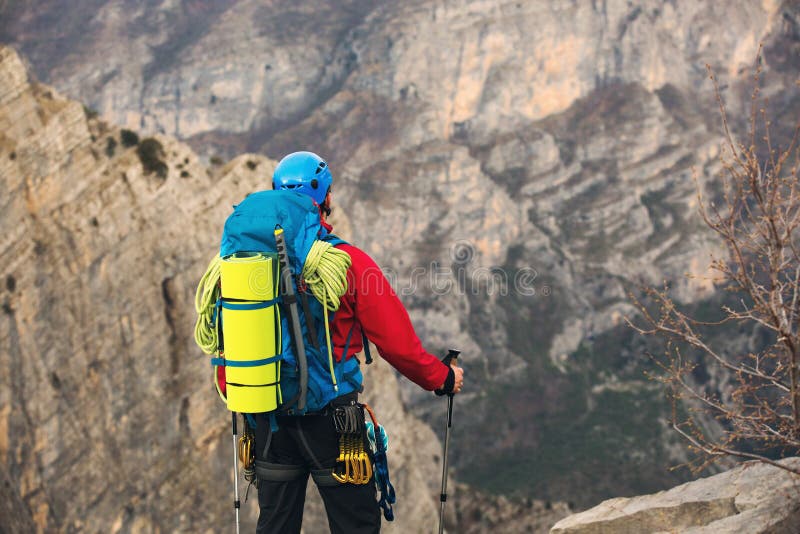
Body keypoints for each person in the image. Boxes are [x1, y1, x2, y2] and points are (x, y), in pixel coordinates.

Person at [252, 151, 464, 533]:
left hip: (268, 418)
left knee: (275, 526)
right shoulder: (350, 263)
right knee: (356, 525)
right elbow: (398, 345)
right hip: (332, 423)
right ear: (325, 197)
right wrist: (442, 378)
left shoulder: (248, 264)